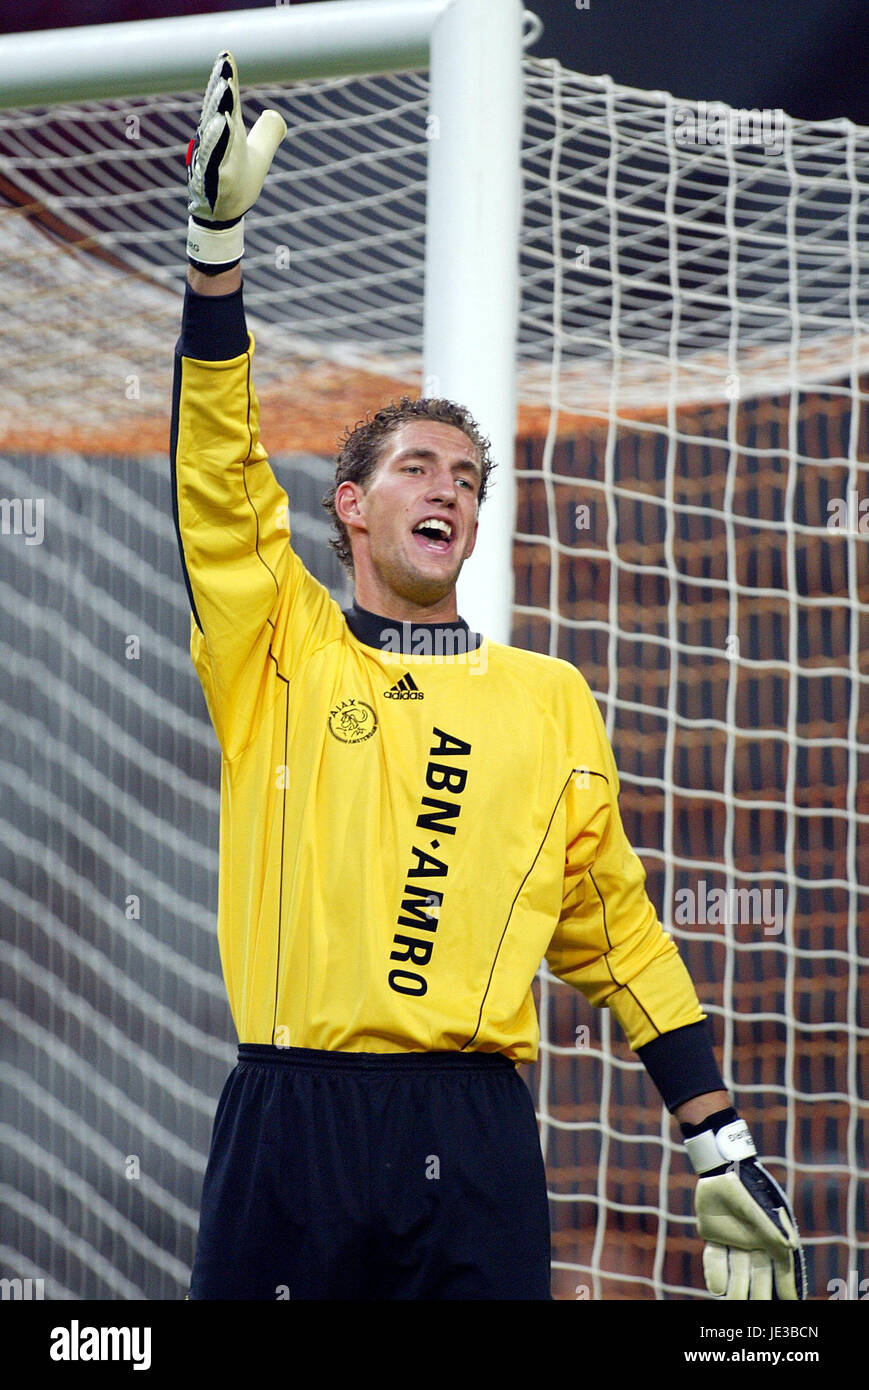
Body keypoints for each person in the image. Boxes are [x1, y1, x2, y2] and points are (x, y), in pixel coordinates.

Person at [172, 51, 805, 1301]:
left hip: (468, 1137)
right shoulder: (277, 645)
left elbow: (614, 930)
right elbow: (221, 479)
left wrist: (715, 1132)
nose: (450, 488)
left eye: (467, 479)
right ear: (350, 506)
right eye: (419, 467)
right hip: (289, 1122)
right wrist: (214, 256)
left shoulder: (543, 698)